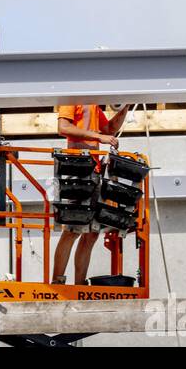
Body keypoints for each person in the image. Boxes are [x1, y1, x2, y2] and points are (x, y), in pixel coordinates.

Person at [51, 103, 132, 285]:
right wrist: (98, 137)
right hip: (78, 168)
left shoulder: (93, 104)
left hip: (93, 170)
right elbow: (63, 127)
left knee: (91, 233)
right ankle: (57, 282)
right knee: (72, 229)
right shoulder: (73, 98)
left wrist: (125, 106)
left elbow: (109, 129)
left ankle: (79, 285)